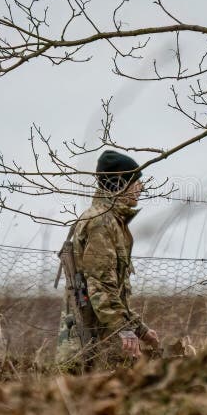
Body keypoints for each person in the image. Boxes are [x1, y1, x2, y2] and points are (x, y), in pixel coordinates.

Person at [56, 150, 159, 370]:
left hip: (98, 333)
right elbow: (101, 286)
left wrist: (140, 329)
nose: (141, 187)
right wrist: (126, 331)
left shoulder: (110, 219)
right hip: (89, 340)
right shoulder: (101, 222)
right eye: (135, 181)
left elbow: (113, 290)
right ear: (119, 184)